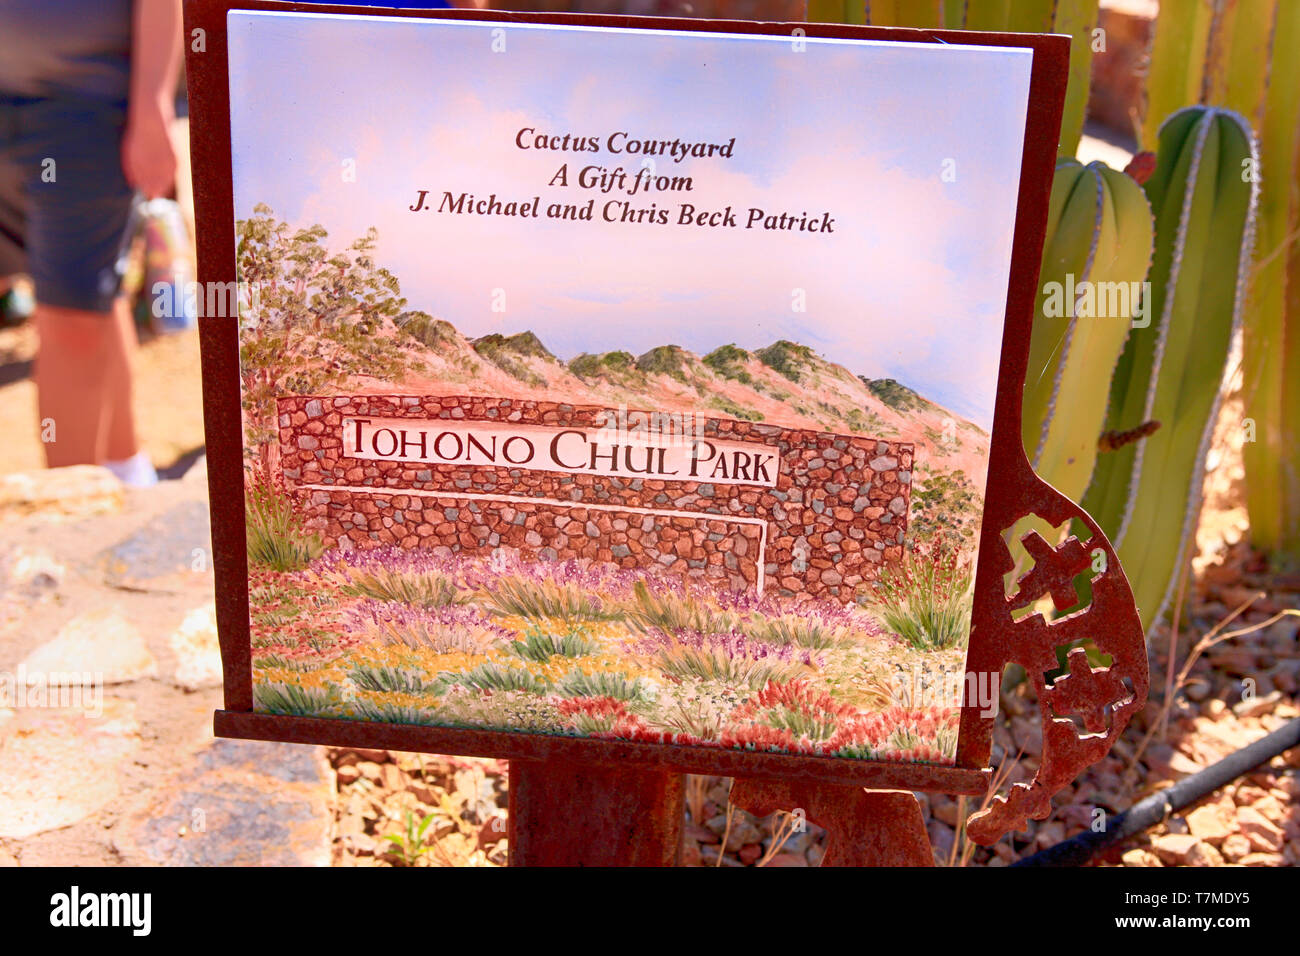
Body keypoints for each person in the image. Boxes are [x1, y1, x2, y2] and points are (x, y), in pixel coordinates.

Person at [0, 0, 183, 486]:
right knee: (98, 290)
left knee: (72, 315)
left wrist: (152, 107)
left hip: (84, 108)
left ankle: (72, 516)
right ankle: (127, 470)